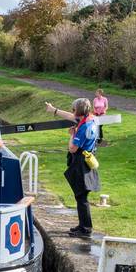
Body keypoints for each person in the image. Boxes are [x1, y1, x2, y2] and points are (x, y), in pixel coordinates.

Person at [46, 98, 100, 237]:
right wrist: (54, 110)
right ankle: (83, 225)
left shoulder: (82, 128)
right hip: (87, 158)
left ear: (79, 111)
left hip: (80, 161)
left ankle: (86, 228)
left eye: (74, 109)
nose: (72, 111)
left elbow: (72, 148)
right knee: (81, 196)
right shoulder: (91, 119)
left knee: (81, 196)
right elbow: (71, 117)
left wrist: (72, 135)